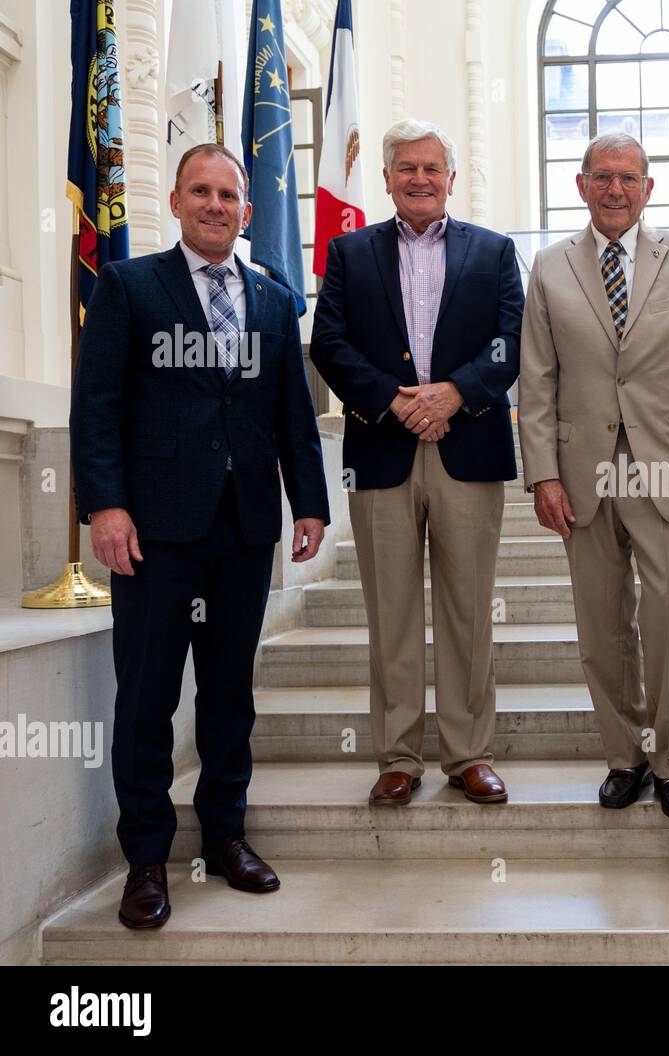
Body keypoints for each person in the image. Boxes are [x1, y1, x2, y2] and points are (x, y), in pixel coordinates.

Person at [70, 142, 330, 929]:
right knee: (148, 696)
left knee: (228, 694)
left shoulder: (276, 300)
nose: (217, 205)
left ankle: (225, 836)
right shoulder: (128, 285)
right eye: (202, 191)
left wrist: (308, 503)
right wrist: (104, 506)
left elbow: (294, 414)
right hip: (154, 530)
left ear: (248, 211)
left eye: (230, 195)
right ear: (177, 202)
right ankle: (146, 858)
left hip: (245, 526)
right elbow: (98, 406)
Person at [518, 132, 669, 820]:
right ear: (580, 185)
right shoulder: (550, 267)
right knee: (599, 624)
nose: (615, 189)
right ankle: (625, 756)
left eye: (628, 178)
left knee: (667, 613)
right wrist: (542, 475)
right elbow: (537, 377)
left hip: (666, 465)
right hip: (580, 471)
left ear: (650, 188)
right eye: (602, 177)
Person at [311, 119, 523, 808]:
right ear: (387, 178)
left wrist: (456, 392)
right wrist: (393, 402)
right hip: (383, 450)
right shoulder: (348, 253)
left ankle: (470, 756)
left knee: (468, 613)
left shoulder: (493, 252)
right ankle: (398, 756)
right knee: (392, 615)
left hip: (469, 447)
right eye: (407, 168)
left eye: (433, 168)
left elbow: (512, 340)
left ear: (451, 178)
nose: (421, 179)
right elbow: (330, 344)